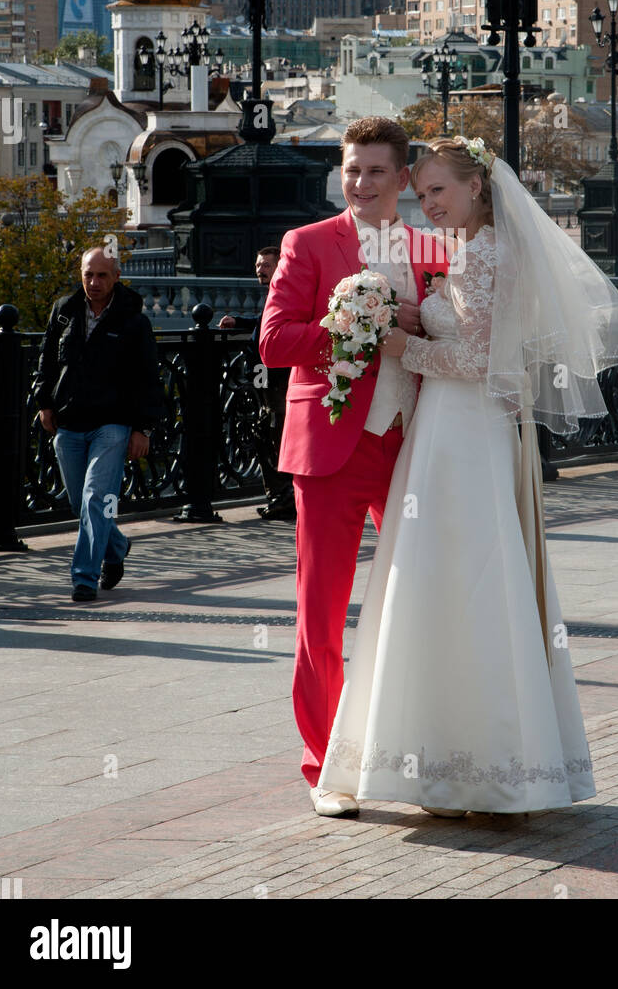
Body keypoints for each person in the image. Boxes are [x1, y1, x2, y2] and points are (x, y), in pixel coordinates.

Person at [317, 136, 618, 817]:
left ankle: (453, 770)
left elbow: (476, 361)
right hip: (472, 435)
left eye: (438, 190)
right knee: (476, 582)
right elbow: (480, 345)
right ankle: (482, 769)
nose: (427, 203)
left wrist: (395, 341)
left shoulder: (479, 255)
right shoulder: (489, 250)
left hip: (456, 437)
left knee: (443, 582)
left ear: (476, 188)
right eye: (424, 191)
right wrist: (413, 319)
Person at [259, 117, 450, 816]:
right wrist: (354, 325)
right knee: (321, 614)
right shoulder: (308, 243)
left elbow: (460, 332)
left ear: (403, 180)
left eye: (375, 171)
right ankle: (327, 771)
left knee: (422, 608)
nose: (361, 182)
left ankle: (422, 764)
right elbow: (274, 341)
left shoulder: (436, 247)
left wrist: (419, 325)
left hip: (414, 448)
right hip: (332, 449)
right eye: (351, 169)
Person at [35, 246, 163, 602]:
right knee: (81, 503)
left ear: (116, 277)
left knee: (97, 498)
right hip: (69, 423)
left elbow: (148, 379)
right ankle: (117, 545)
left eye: (102, 275)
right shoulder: (64, 310)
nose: (94, 282)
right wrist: (43, 403)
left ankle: (84, 578)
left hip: (113, 424)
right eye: (88, 274)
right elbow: (46, 361)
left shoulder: (133, 319)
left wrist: (143, 429)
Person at [218, 247, 294, 522]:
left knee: (272, 430)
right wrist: (240, 321)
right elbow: (264, 323)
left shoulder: (284, 292)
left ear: (279, 266)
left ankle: (283, 497)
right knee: (269, 429)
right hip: (263, 372)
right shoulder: (276, 292)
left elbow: (271, 326)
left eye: (265, 265)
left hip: (273, 373)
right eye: (257, 265)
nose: (259, 270)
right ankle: (281, 496)